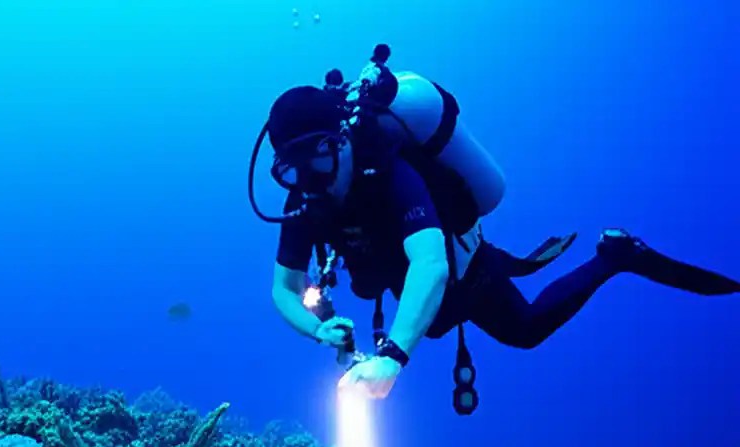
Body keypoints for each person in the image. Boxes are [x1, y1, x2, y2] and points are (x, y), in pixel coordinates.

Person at [248, 45, 740, 413]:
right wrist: (317, 329)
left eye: (321, 158)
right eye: (295, 170)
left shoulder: (390, 172)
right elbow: (283, 289)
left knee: (523, 330)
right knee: (436, 323)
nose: (315, 182)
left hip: (458, 265)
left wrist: (394, 357)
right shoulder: (307, 200)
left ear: (342, 138)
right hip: (415, 282)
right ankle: (514, 262)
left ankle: (615, 256)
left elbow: (431, 263)